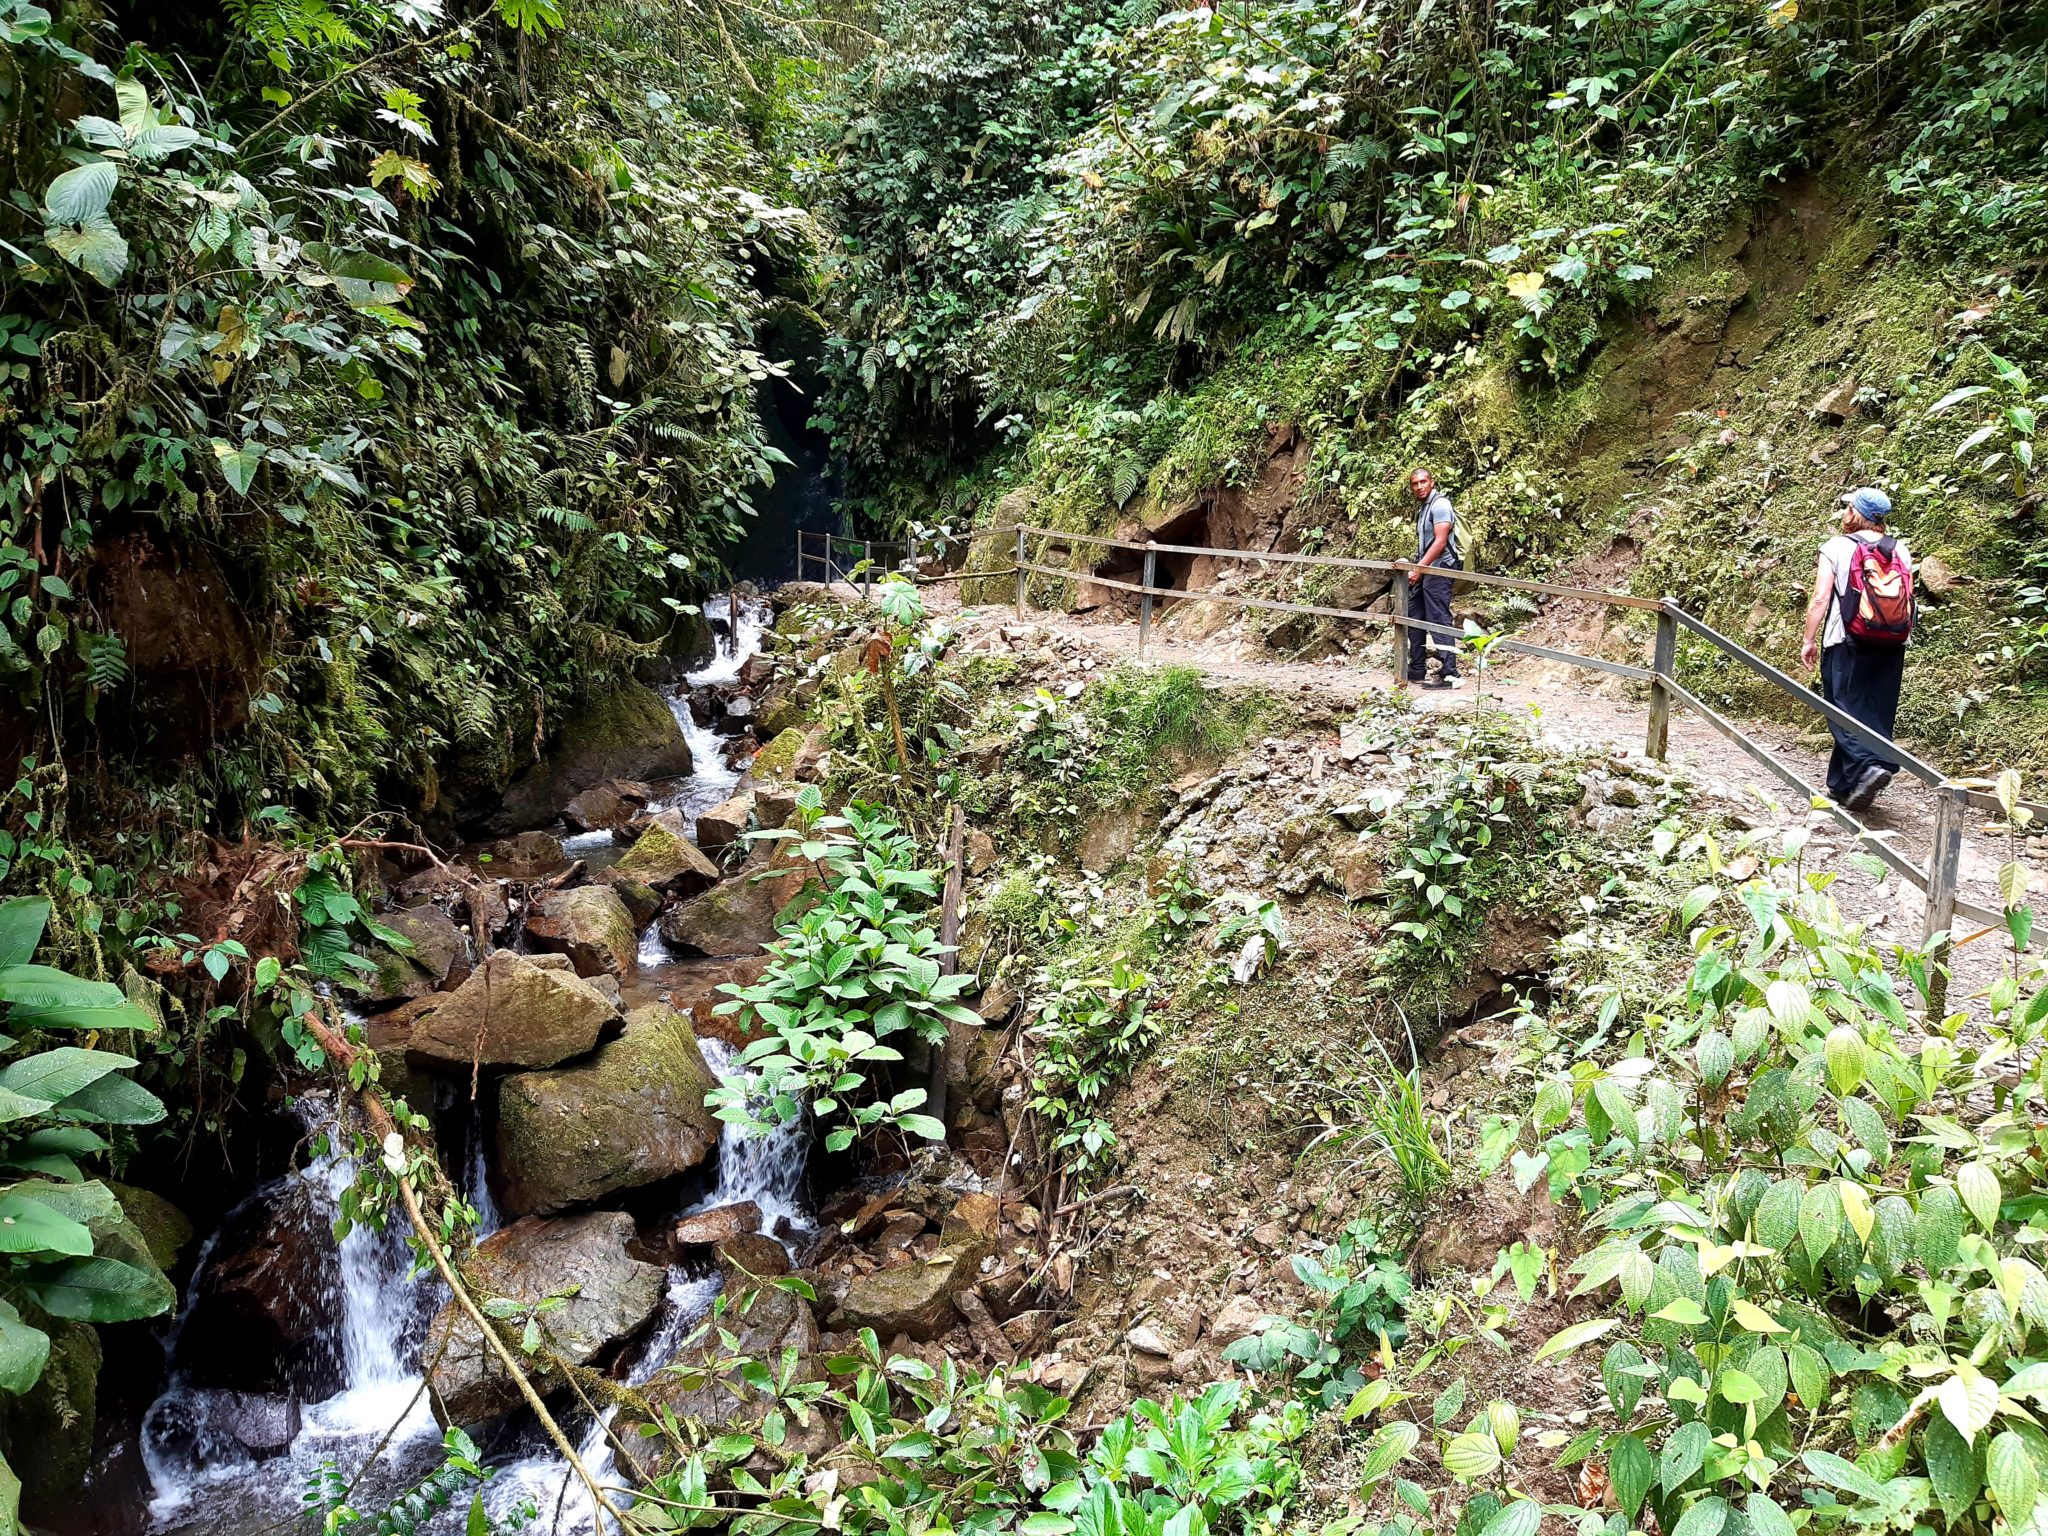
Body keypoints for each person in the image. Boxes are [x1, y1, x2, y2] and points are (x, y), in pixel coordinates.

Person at [1799, 486, 1914, 811]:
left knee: (1841, 709)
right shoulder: (1899, 550)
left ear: (1855, 513)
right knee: (1874, 710)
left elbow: (1821, 599)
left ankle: (1874, 764)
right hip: (1891, 642)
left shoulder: (1837, 546)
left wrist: (1809, 640)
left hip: (1846, 640)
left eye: (1849, 507)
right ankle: (1843, 786)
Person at [1406, 468, 1462, 689]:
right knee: (1414, 614)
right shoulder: (1425, 508)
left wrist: (1419, 569)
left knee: (1438, 618)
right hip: (1428, 569)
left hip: (1440, 569)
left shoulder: (1440, 505)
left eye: (1423, 482)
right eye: (1414, 483)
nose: (1419, 486)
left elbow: (1440, 542)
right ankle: (1417, 667)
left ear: (1432, 482)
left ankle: (1451, 675)